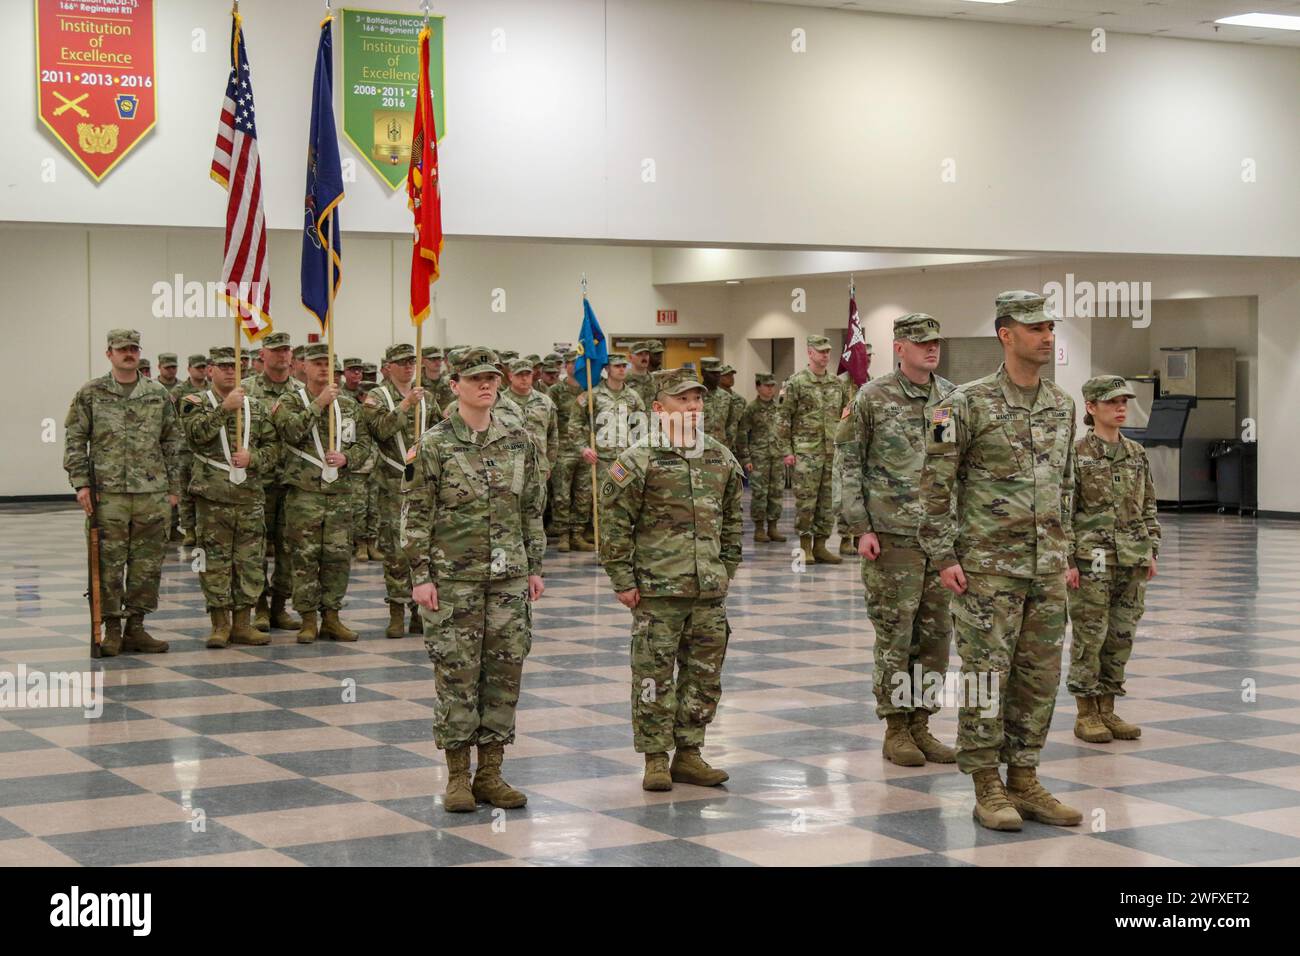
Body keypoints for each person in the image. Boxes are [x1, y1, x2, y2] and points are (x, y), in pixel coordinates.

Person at [918, 290, 1080, 832]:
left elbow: (1067, 485)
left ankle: (1025, 776)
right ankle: (986, 781)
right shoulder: (956, 405)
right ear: (1005, 334)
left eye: (1051, 327)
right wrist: (942, 554)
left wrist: (1070, 554)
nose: (1047, 337)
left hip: (1047, 568)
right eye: (1035, 329)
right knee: (987, 675)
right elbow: (933, 485)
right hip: (986, 569)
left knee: (1038, 677)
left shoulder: (1063, 404)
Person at [404, 347, 546, 813]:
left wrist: (534, 566)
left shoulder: (519, 440)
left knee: (504, 675)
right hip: (454, 581)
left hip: (507, 580)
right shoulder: (434, 445)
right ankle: (458, 777)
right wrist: (421, 575)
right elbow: (415, 516)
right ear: (455, 385)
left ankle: (492, 773)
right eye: (475, 378)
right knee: (458, 677)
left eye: (492, 378)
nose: (486, 385)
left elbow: (530, 508)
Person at [599, 367, 743, 791]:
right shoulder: (638, 459)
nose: (694, 407)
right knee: (652, 676)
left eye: (698, 400)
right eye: (684, 400)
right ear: (660, 409)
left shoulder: (719, 457)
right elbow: (613, 525)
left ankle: (690, 752)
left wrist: (725, 569)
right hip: (657, 590)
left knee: (703, 675)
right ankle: (655, 758)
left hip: (707, 592)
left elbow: (734, 520)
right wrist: (623, 579)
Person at [839, 313, 956, 765]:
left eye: (935, 342)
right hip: (891, 535)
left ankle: (921, 722)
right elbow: (848, 461)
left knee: (935, 637)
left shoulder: (949, 397)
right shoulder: (872, 397)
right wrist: (859, 527)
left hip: (939, 538)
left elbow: (951, 463)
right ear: (899, 347)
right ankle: (896, 728)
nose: (931, 349)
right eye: (921, 342)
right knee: (896, 634)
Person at [63, 329, 181, 656]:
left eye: (133, 348)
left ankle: (137, 628)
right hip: (108, 494)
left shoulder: (157, 393)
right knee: (109, 564)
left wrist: (174, 489)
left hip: (151, 494)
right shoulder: (91, 393)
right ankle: (112, 628)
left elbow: (173, 442)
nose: (128, 354)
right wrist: (81, 483)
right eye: (121, 349)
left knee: (147, 565)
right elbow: (75, 439)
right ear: (109, 354)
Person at [1067, 375, 1160, 743]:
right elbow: (1065, 510)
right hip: (1093, 559)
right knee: (1091, 635)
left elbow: (1149, 504)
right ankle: (1086, 711)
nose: (1121, 408)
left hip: (1132, 557)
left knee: (1121, 635)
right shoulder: (1076, 454)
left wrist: (1151, 547)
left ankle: (1108, 706)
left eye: (1124, 402)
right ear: (1091, 408)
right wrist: (1068, 561)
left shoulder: (1136, 453)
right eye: (1112, 403)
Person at [273, 342, 371, 643]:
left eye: (330, 364)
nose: (324, 368)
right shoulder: (290, 400)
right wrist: (318, 404)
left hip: (340, 492)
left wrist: (348, 459)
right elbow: (289, 431)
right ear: (304, 367)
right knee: (304, 558)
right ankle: (307, 619)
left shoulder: (350, 405)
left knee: (338, 558)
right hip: (305, 494)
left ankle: (332, 617)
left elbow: (364, 444)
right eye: (317, 363)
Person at [178, 347, 276, 648]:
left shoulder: (256, 407)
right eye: (223, 367)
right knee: (214, 562)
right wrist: (224, 408)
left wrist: (254, 457)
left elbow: (274, 448)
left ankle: (243, 623)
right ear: (210, 370)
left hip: (248, 496)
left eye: (237, 366)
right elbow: (195, 434)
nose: (231, 371)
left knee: (249, 562)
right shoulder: (194, 402)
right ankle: (220, 624)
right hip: (213, 497)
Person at [363, 343, 427, 639]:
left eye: (411, 361)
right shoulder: (377, 397)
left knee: (421, 549)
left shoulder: (426, 395)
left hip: (422, 484)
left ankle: (419, 611)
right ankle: (396, 612)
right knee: (395, 551)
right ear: (388, 367)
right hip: (392, 484)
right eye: (401, 362)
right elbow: (380, 431)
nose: (407, 367)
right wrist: (404, 406)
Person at [242, 331, 301, 632]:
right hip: (257, 482)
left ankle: (280, 606)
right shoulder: (246, 390)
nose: (282, 355)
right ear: (262, 355)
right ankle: (260, 607)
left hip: (292, 482)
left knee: (287, 549)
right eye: (275, 350)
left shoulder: (301, 393)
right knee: (256, 548)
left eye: (286, 350)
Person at [570, 353, 645, 550]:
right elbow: (575, 424)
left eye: (624, 365)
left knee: (626, 501)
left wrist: (641, 452)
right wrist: (583, 448)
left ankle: (623, 544)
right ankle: (605, 546)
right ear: (607, 369)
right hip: (601, 460)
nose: (622, 369)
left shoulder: (633, 397)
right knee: (603, 502)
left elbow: (642, 427)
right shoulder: (592, 395)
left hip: (625, 461)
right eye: (617, 366)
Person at [783, 335, 845, 565]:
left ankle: (821, 545)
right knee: (806, 501)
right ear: (810, 353)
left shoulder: (836, 384)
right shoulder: (797, 382)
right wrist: (787, 450)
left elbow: (844, 417)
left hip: (831, 452)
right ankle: (805, 546)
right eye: (821, 351)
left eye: (828, 351)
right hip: (806, 451)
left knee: (827, 502)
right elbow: (784, 417)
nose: (825, 355)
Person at [549, 349, 594, 552]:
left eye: (576, 363)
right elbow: (550, 421)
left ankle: (578, 533)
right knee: (561, 496)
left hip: (585, 449)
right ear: (564, 366)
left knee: (584, 494)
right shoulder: (556, 391)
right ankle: (563, 535)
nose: (573, 366)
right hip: (563, 450)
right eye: (568, 363)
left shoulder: (590, 389)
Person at [736, 373, 788, 542]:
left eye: (772, 386)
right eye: (766, 386)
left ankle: (773, 527)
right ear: (758, 387)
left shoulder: (779, 408)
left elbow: (784, 431)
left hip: (777, 456)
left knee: (776, 492)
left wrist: (786, 452)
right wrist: (746, 459)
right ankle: (759, 528)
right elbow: (742, 433)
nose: (770, 389)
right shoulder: (751, 409)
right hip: (759, 457)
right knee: (760, 493)